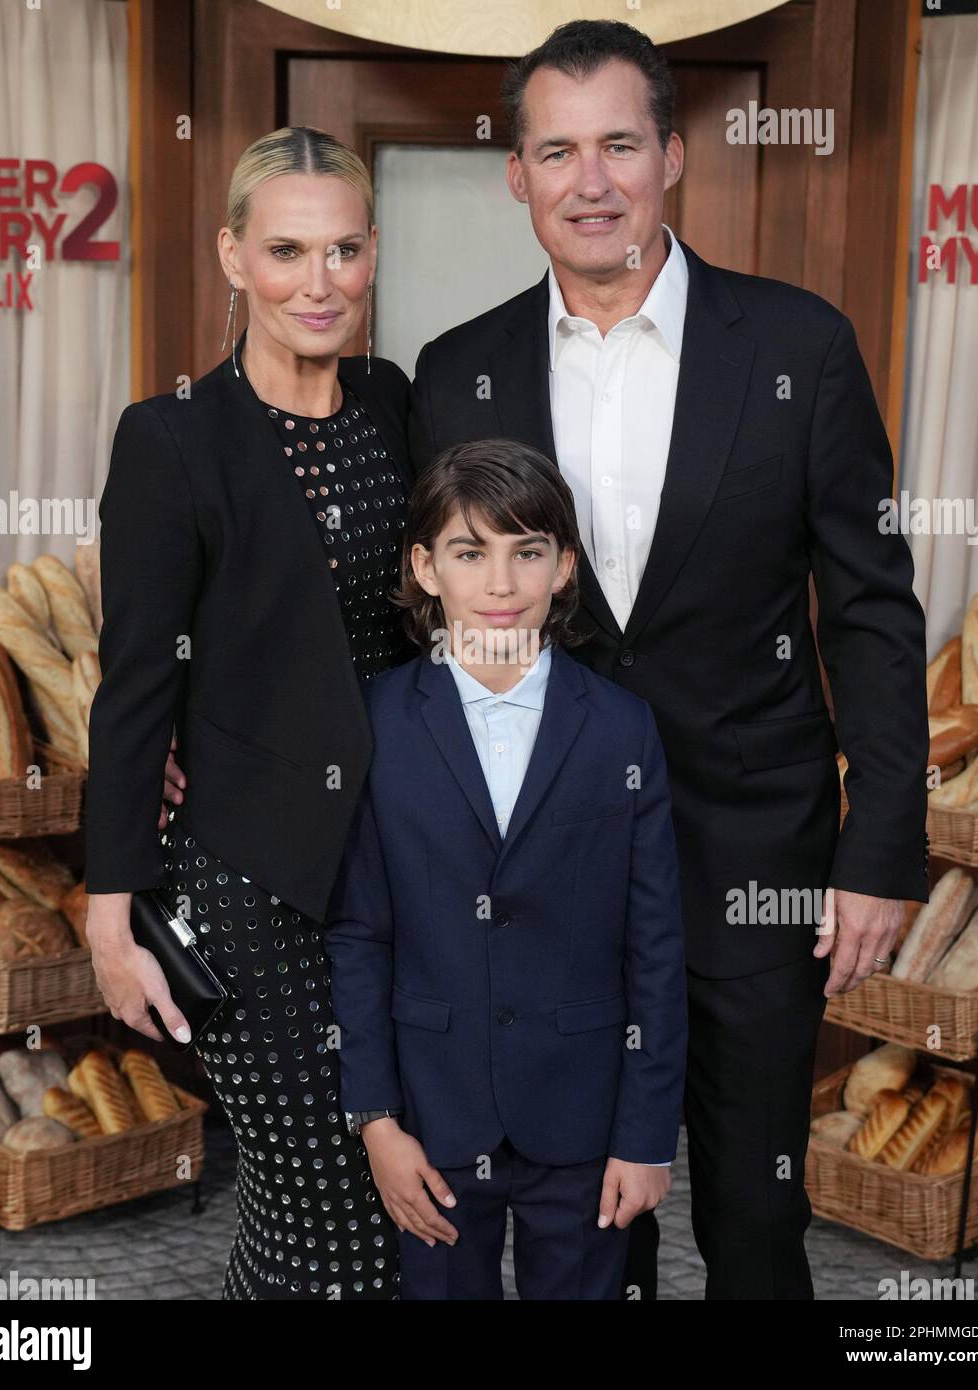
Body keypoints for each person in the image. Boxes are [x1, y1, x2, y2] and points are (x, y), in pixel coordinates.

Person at [407, 20, 930, 1299]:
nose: (591, 182)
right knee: (594, 1230)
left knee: (754, 1223)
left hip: (754, 868)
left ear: (673, 157)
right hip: (546, 877)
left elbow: (869, 610)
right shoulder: (455, 371)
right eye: (557, 150)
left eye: (620, 145)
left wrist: (878, 854)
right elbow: (416, 625)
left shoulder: (798, 347)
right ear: (517, 176)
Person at [83, 126, 416, 1300]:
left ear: (372, 253)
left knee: (388, 1207)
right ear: (232, 257)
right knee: (315, 1207)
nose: (316, 283)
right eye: (285, 250)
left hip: (396, 867)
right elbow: (135, 683)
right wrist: (111, 910)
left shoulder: (392, 405)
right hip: (248, 879)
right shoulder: (171, 437)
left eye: (341, 251)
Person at [323, 438, 688, 1300]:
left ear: (564, 567)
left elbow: (655, 945)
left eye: (527, 553)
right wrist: (376, 1123)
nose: (499, 585)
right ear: (423, 567)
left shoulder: (621, 727)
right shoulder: (373, 724)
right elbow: (359, 933)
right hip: (433, 1117)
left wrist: (645, 1137)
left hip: (586, 1117)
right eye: (468, 552)